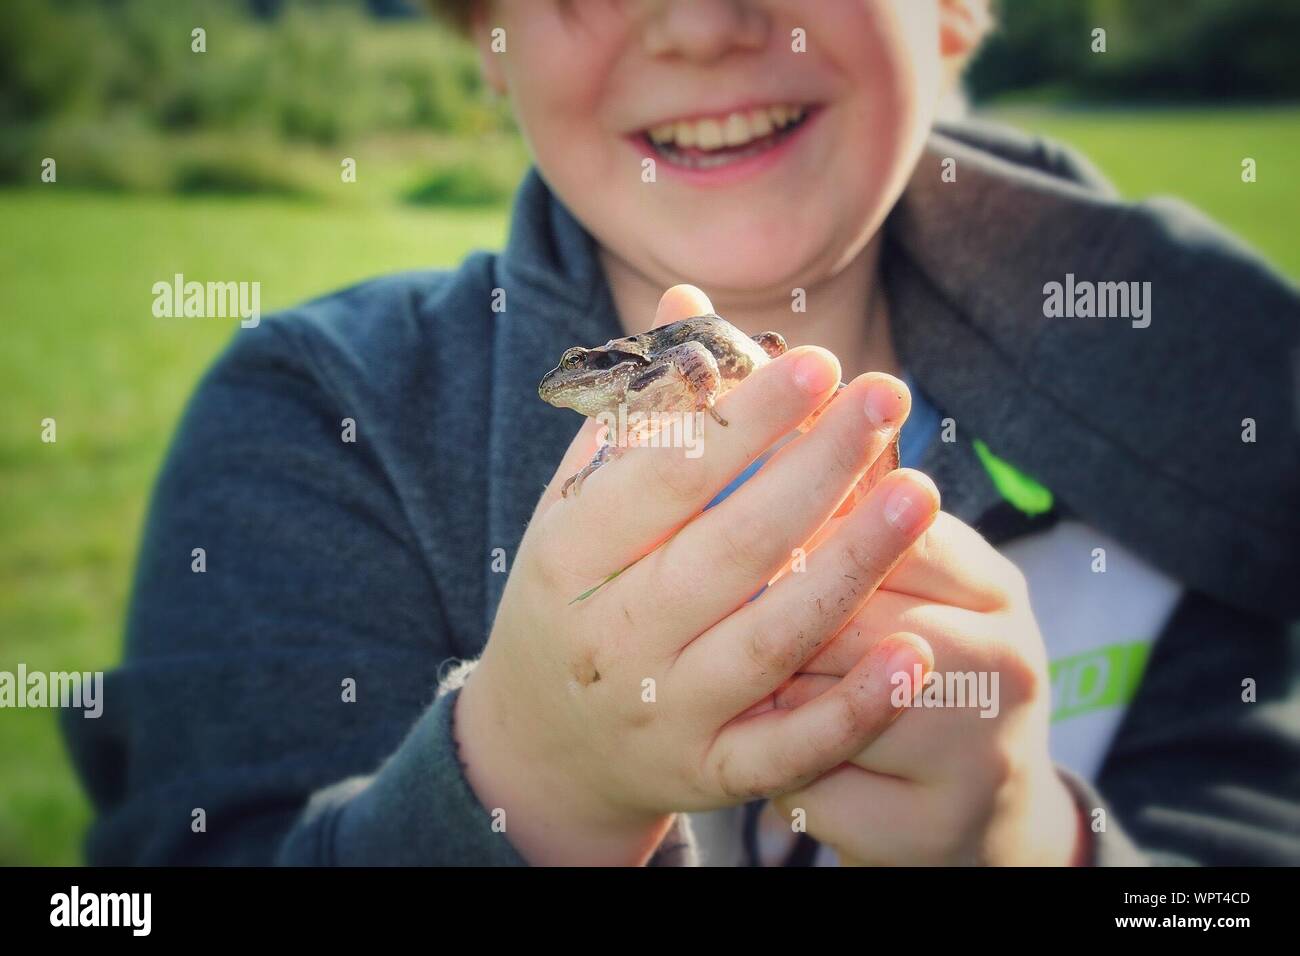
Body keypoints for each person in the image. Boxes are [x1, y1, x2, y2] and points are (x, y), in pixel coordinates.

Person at [64, 0, 1299, 866]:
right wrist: (536, 778)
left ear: (957, 11)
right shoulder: (315, 419)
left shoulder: (1181, 399)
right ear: (486, 39)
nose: (701, 22)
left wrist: (1040, 843)